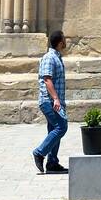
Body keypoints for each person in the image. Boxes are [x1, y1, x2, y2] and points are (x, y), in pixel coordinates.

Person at [33, 30, 68, 175]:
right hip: (48, 101)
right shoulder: (49, 58)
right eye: (64, 39)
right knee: (61, 127)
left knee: (54, 130)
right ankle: (39, 153)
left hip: (54, 101)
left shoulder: (57, 57)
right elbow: (47, 80)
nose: (66, 42)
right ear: (60, 42)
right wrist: (55, 99)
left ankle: (52, 162)